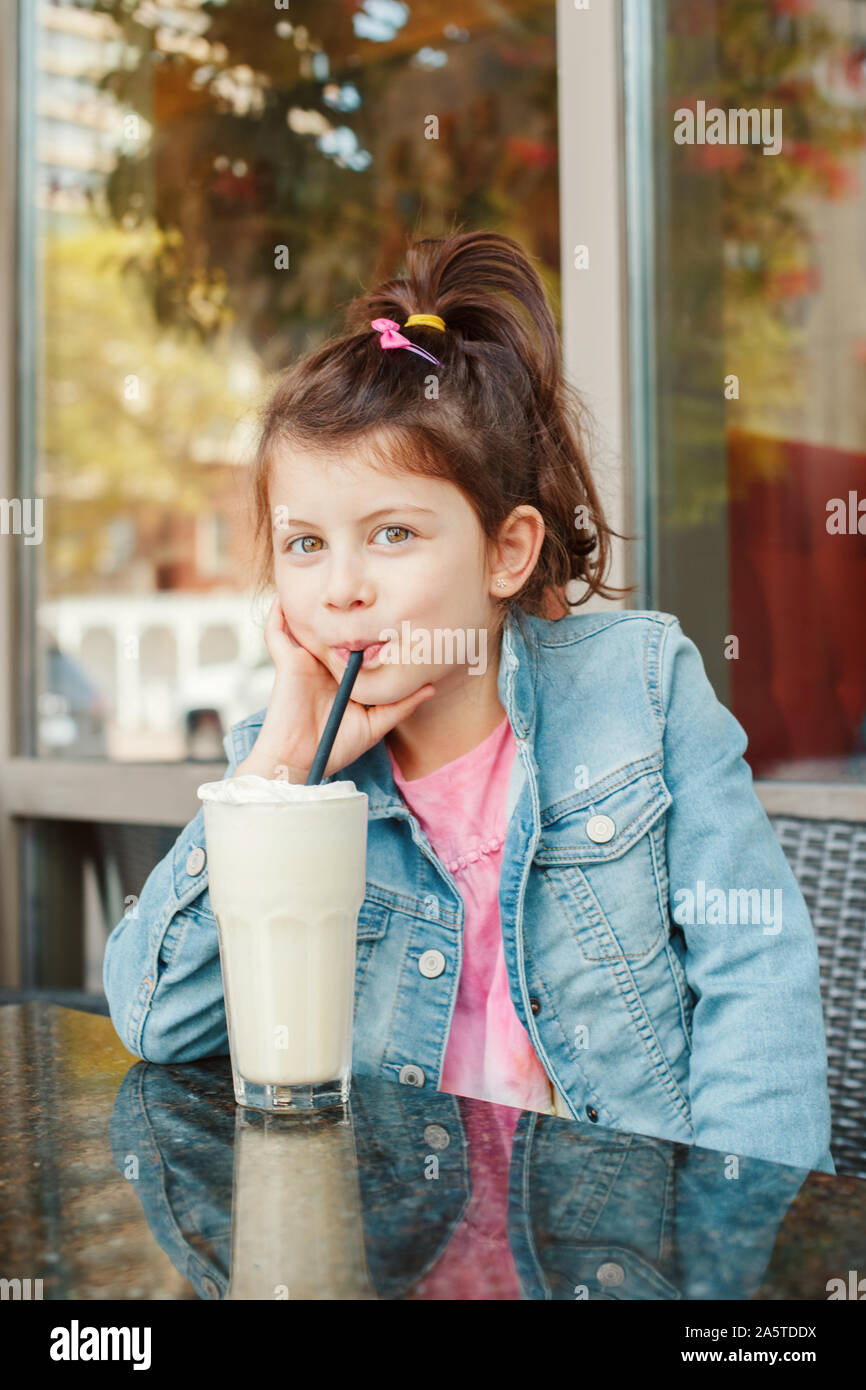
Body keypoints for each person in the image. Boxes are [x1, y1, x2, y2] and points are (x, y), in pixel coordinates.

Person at [103, 228, 834, 1175]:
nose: (342, 588)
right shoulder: (283, 770)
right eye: (305, 545)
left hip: (617, 1250)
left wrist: (734, 1245)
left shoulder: (640, 692)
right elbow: (155, 1022)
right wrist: (281, 768)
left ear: (507, 551)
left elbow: (755, 977)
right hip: (389, 1250)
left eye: (394, 533)